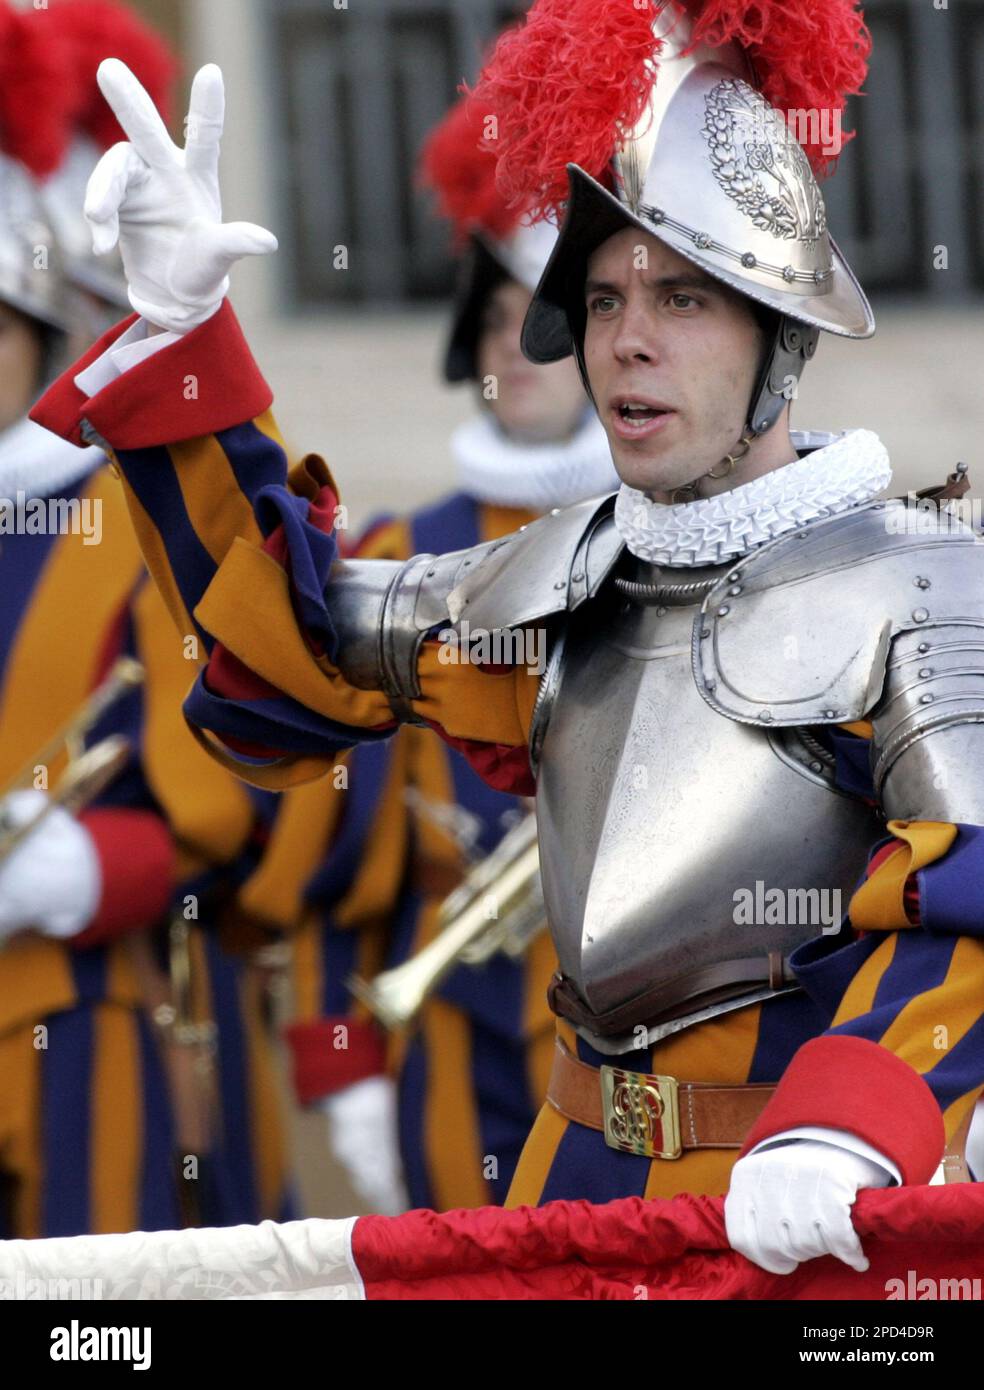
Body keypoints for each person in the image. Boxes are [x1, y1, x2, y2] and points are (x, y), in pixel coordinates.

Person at [33, 0, 984, 1277]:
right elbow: (293, 646)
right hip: (562, 1192)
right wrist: (185, 347)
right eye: (601, 298)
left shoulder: (921, 583)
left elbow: (968, 904)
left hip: (797, 1207)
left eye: (685, 297)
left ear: (782, 336)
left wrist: (848, 1128)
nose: (628, 337)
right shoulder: (559, 575)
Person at [280, 88, 616, 1213]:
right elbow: (335, 846)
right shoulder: (398, 553)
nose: (509, 355)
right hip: (451, 1023)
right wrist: (340, 1061)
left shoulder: (667, 546)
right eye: (489, 327)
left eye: (540, 327)